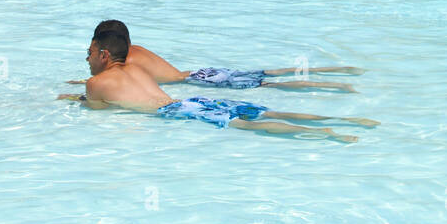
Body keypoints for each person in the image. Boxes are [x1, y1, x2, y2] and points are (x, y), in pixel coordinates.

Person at [58, 30, 375, 143]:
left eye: (88, 54)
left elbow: (98, 108)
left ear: (103, 54)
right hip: (194, 99)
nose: (86, 60)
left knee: (249, 126)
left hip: (178, 113)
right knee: (265, 111)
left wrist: (74, 98)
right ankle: (340, 120)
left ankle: (326, 135)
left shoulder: (94, 82)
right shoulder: (135, 68)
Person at [66, 20, 365, 93]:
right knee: (267, 75)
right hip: (201, 72)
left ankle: (334, 86)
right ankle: (337, 72)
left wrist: (81, 87)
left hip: (197, 83)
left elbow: (119, 79)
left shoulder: (125, 62)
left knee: (266, 85)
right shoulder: (135, 50)